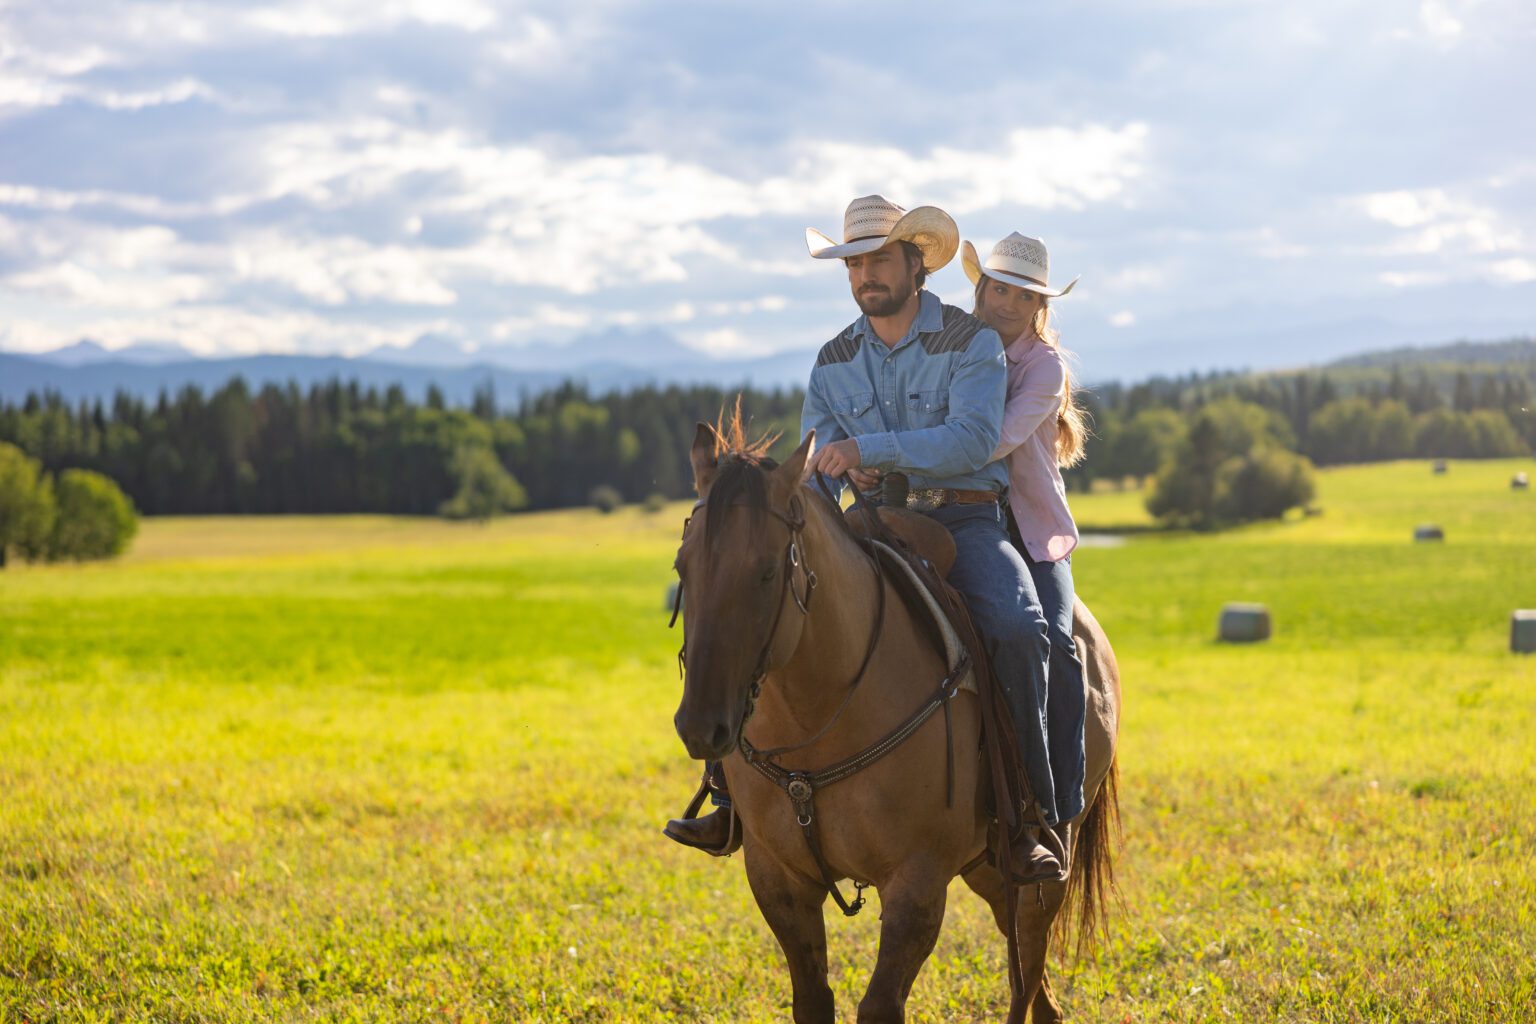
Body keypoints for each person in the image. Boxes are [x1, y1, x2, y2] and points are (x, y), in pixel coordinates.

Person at [665, 195, 1065, 882]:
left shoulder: (969, 345)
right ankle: (729, 794)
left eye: (880, 259)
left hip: (964, 519)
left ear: (917, 264)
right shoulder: (832, 360)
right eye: (854, 263)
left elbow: (972, 439)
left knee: (1018, 626)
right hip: (869, 521)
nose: (865, 274)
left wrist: (863, 448)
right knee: (752, 607)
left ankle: (1031, 817)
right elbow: (817, 470)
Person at [962, 232, 1088, 839]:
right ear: (981, 288)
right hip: (964, 515)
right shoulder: (956, 346)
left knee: (1058, 646)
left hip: (1030, 527)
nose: (1007, 303)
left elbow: (993, 441)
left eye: (1023, 295)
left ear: (1040, 306)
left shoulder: (1044, 367)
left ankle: (1057, 802)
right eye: (999, 288)